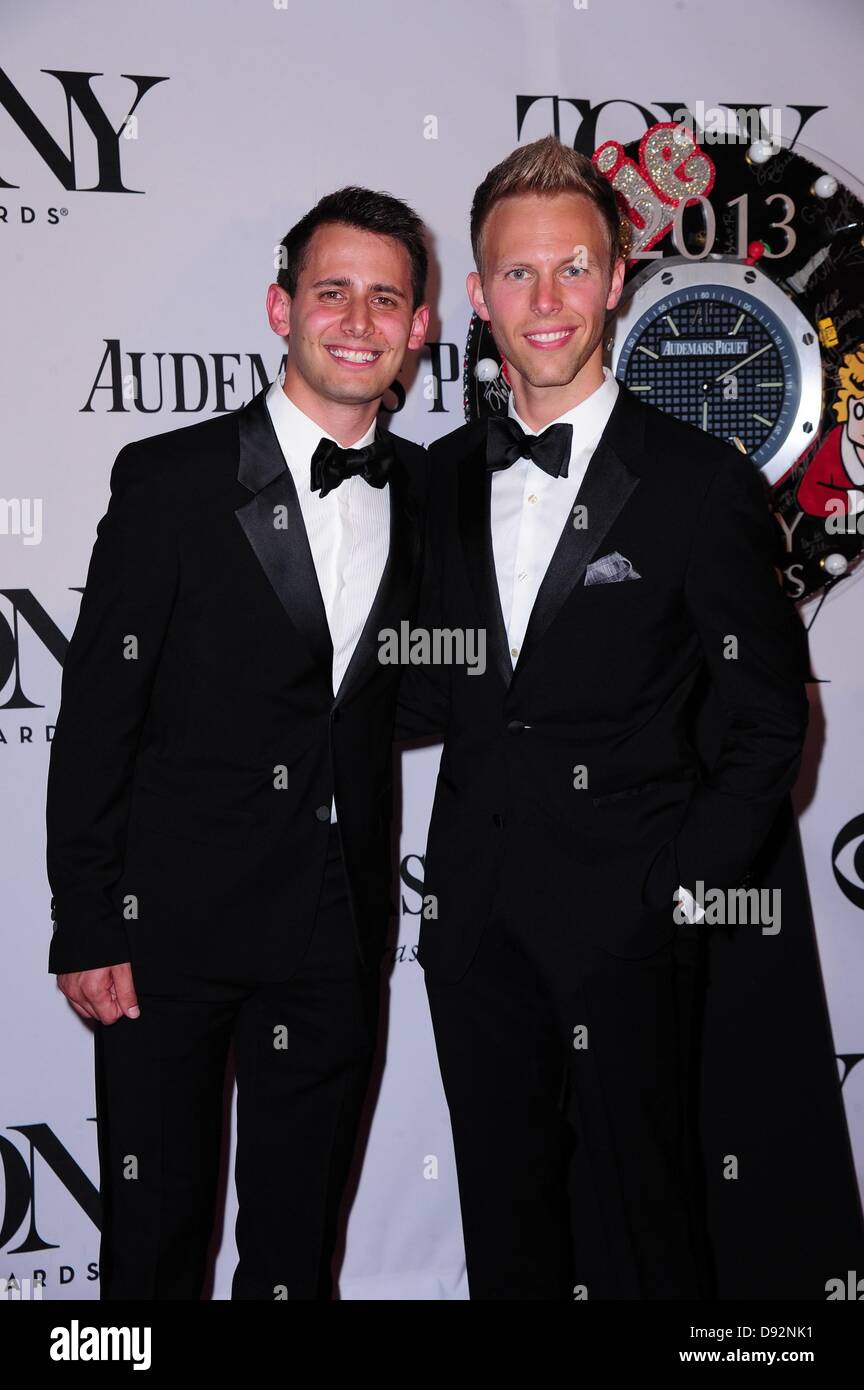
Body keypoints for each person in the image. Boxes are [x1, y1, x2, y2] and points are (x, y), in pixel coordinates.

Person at [396, 136, 810, 1299]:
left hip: (631, 923)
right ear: (477, 296)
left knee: (649, 1230)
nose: (545, 300)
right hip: (474, 920)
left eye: (571, 268)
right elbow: (428, 681)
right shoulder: (433, 476)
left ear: (618, 275)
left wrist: (678, 887)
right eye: (516, 276)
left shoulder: (698, 480)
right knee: (508, 1232)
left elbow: (769, 718)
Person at [47, 186, 430, 1300]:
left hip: (334, 928)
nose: (356, 320)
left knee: (296, 1251)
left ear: (419, 328)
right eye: (331, 292)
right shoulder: (171, 481)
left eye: (385, 298)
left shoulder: (440, 496)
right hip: (164, 931)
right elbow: (98, 714)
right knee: (152, 1246)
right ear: (280, 307)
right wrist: (85, 915)